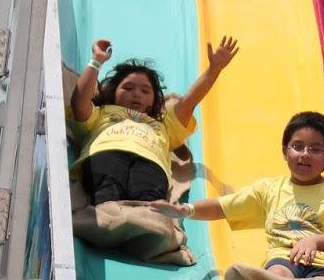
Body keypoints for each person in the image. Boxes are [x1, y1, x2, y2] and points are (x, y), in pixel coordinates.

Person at [153, 110, 324, 280]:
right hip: (285, 260)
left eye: (315, 149)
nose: (304, 155)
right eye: (297, 147)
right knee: (276, 275)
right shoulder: (269, 189)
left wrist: (314, 242)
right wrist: (186, 210)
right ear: (285, 151)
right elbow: (222, 206)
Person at [69, 36, 238, 205]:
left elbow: (189, 102)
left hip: (150, 160)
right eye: (128, 88)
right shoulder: (102, 113)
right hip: (107, 150)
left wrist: (214, 69)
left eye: (145, 91)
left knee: (149, 195)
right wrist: (96, 61)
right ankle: (108, 216)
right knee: (108, 188)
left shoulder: (163, 124)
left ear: (154, 101)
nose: (136, 94)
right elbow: (79, 103)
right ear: (113, 92)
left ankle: (147, 224)